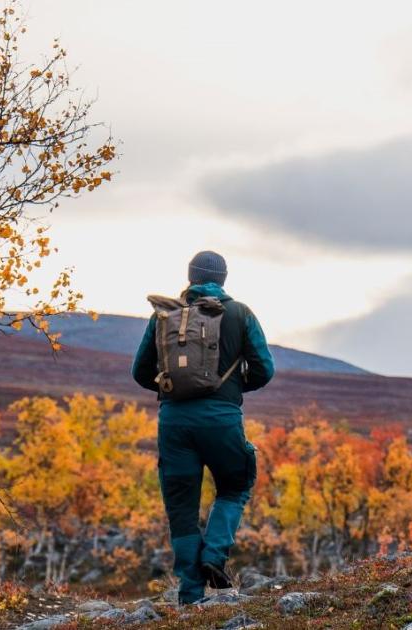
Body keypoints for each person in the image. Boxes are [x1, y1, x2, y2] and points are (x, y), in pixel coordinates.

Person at [132, 250, 275, 605]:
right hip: (222, 420)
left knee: (181, 508)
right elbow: (264, 369)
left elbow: (140, 372)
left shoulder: (165, 316)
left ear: (190, 276)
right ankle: (214, 555)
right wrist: (233, 388)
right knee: (235, 485)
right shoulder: (240, 313)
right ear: (223, 278)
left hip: (175, 423)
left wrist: (172, 389)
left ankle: (190, 596)